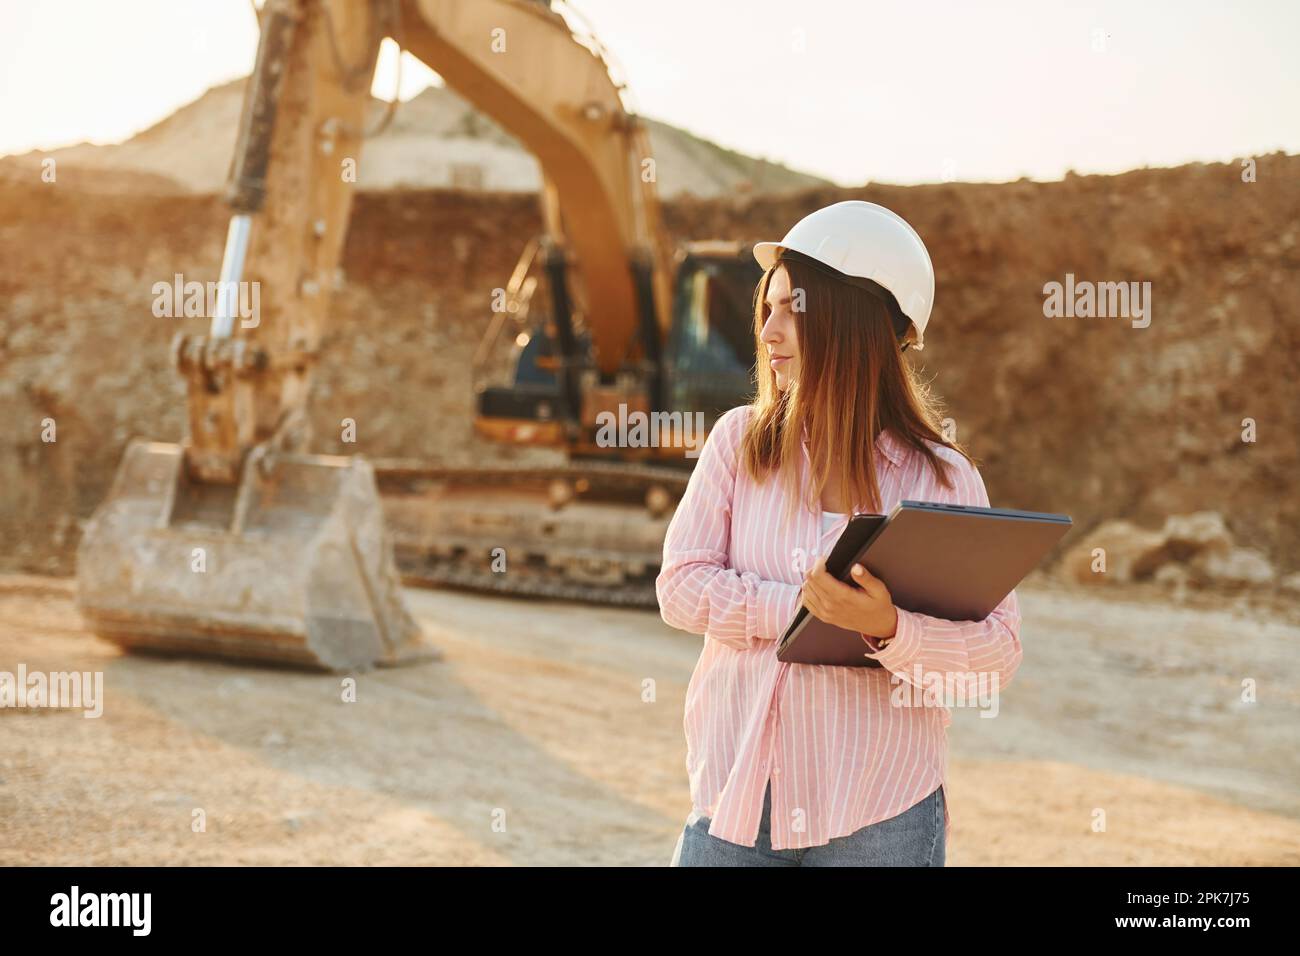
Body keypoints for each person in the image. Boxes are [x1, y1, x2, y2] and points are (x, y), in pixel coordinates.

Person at [656, 201, 1023, 866]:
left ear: (853, 320)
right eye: (765, 309)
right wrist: (799, 609)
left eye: (791, 308)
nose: (768, 332)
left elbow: (993, 657)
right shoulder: (737, 443)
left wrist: (889, 628)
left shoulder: (942, 479)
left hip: (879, 816)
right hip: (737, 796)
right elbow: (680, 587)